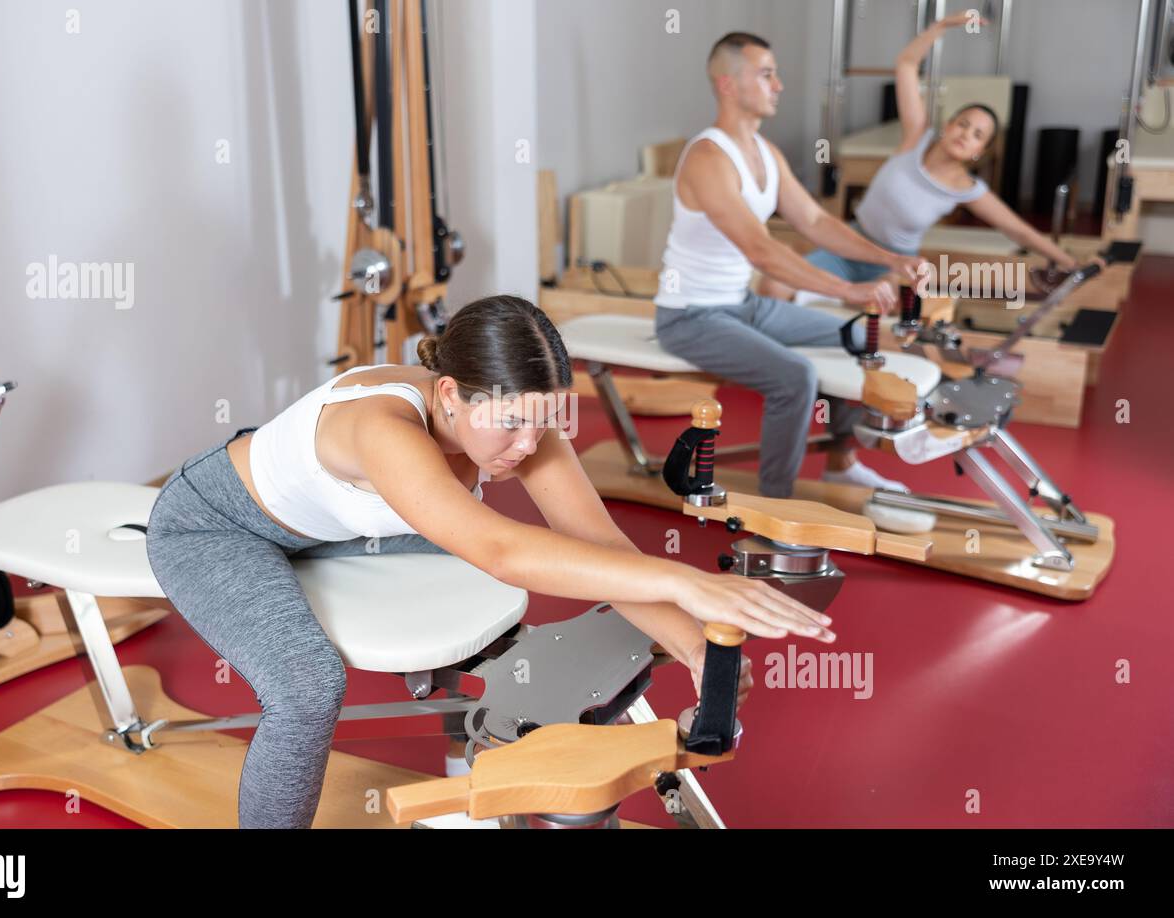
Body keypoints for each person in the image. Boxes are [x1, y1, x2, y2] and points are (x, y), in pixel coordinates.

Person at [146, 294, 835, 828]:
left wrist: (693, 644)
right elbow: (500, 550)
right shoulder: (384, 429)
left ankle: (468, 761)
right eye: (510, 426)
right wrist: (689, 582)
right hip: (216, 526)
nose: (526, 445)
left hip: (339, 527)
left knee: (551, 562)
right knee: (307, 687)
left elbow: (596, 544)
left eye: (543, 423)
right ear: (451, 396)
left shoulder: (520, 418)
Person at [654, 32, 927, 500]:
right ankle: (773, 506)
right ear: (727, 83)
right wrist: (848, 291)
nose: (778, 84)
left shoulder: (766, 153)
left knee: (857, 337)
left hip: (743, 306)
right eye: (766, 74)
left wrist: (891, 259)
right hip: (690, 317)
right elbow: (761, 251)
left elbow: (816, 220)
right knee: (795, 376)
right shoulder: (707, 158)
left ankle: (841, 465)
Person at [757, 12, 1083, 306]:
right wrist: (941, 27)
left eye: (977, 135)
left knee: (877, 312)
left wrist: (1067, 262)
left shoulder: (967, 188)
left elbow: (1021, 232)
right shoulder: (916, 137)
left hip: (896, 263)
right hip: (851, 244)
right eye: (963, 124)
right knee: (773, 286)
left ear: (978, 152)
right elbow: (907, 65)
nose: (965, 134)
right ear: (947, 126)